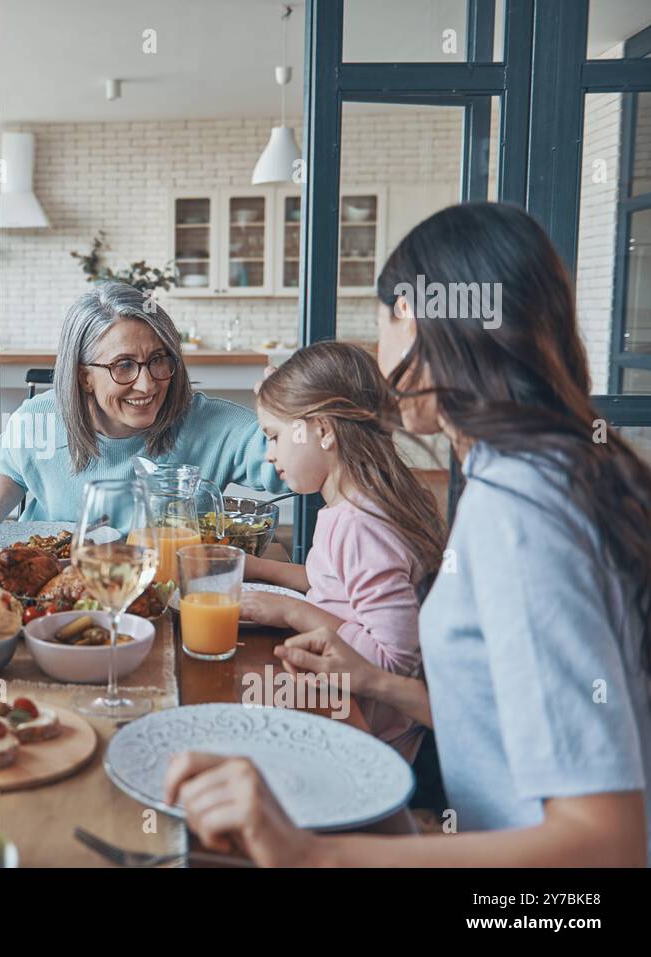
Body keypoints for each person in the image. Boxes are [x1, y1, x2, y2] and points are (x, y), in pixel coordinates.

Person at [165, 202, 651, 866]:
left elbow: (606, 845)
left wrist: (313, 855)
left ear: (422, 326)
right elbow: (497, 727)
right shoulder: (537, 473)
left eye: (383, 319)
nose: (380, 350)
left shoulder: (522, 511)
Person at [0, 280, 284, 539]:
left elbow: (291, 463)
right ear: (83, 376)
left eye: (158, 360)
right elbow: (10, 466)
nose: (147, 385)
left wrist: (292, 412)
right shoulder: (37, 419)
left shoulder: (214, 424)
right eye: (123, 366)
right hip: (51, 589)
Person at [239, 340, 445, 762]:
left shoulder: (361, 524)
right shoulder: (351, 507)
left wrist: (291, 612)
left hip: (372, 737)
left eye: (274, 436)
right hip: (350, 711)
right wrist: (256, 568)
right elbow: (332, 585)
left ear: (323, 430)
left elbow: (393, 663)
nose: (269, 455)